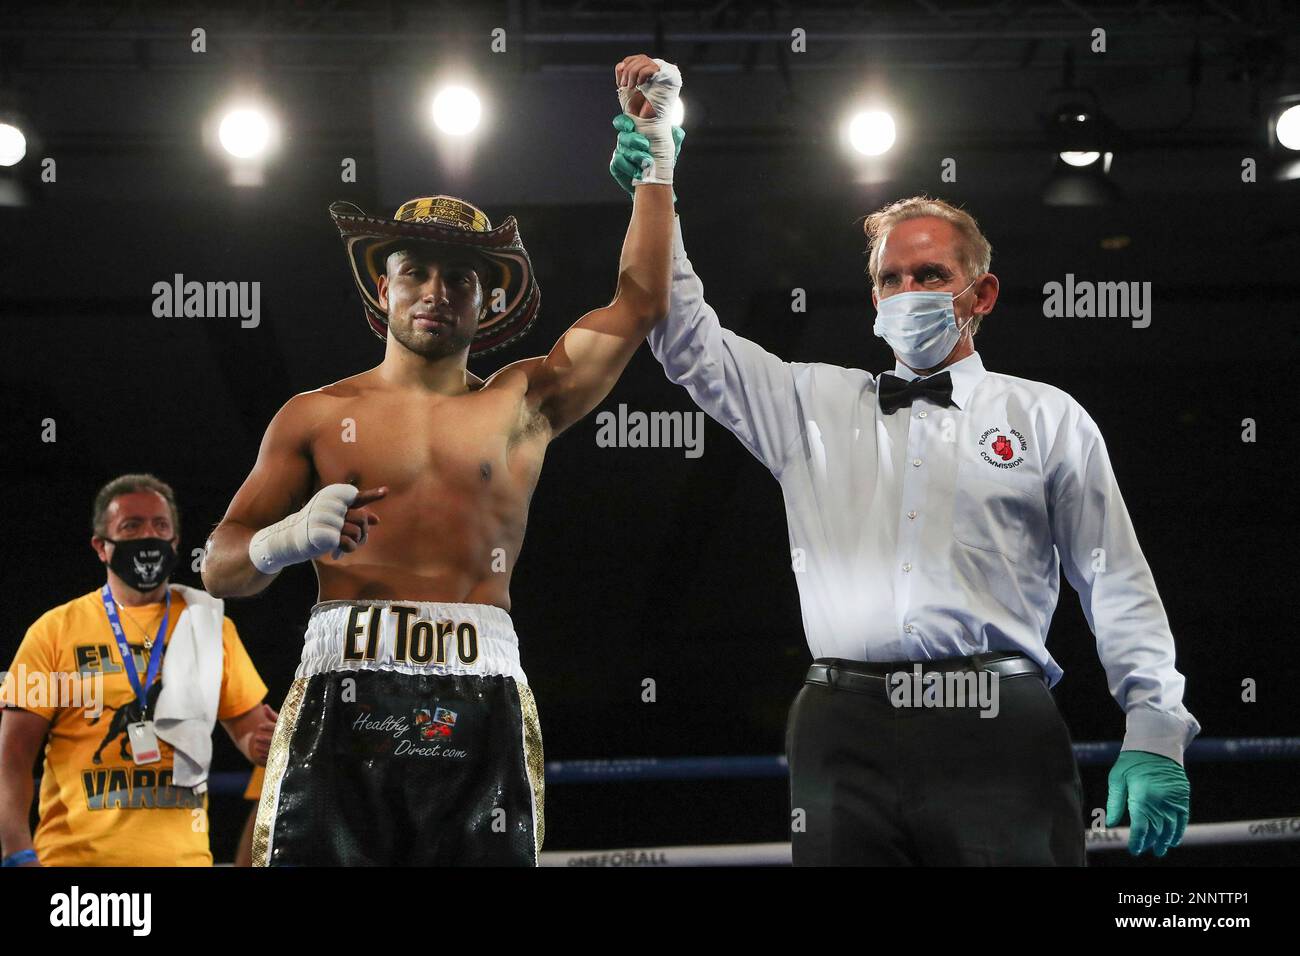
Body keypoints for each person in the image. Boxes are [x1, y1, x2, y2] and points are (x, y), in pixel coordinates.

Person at [610, 138, 1197, 864]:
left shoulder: (1047, 417)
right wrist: (656, 184)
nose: (909, 290)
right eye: (892, 278)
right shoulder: (809, 402)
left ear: (979, 295)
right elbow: (683, 339)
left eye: (931, 274)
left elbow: (1116, 580)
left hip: (997, 719)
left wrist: (1155, 727)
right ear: (874, 299)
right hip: (840, 723)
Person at [200, 54, 681, 866]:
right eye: (414, 271)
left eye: (460, 276)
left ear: (489, 299)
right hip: (338, 689)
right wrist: (284, 541)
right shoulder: (315, 416)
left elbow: (640, 304)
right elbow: (218, 568)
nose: (435, 290)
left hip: (479, 688)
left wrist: (656, 160)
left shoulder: (522, 402)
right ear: (381, 290)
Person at [0, 474, 275, 867]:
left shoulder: (208, 624)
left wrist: (260, 741)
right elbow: (11, 759)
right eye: (131, 526)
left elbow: (248, 731)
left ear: (176, 541)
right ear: (101, 547)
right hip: (75, 867)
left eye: (160, 526)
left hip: (183, 861)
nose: (149, 535)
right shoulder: (54, 631)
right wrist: (17, 852)